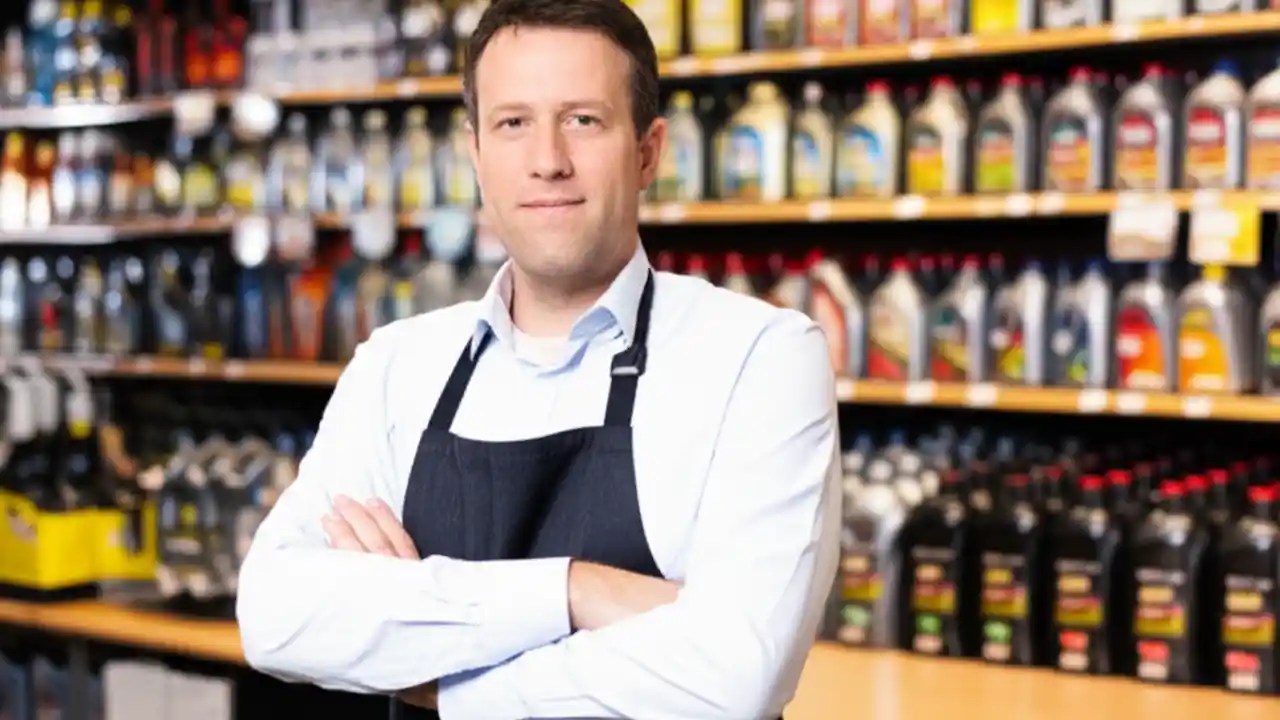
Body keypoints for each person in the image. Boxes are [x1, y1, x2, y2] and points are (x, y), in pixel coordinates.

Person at [234, 0, 841, 717]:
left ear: (648, 151)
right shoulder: (397, 366)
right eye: (513, 123)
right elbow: (277, 616)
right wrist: (576, 591)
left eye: (583, 120)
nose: (548, 161)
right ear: (476, 152)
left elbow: (736, 678)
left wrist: (435, 670)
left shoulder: (760, 361)